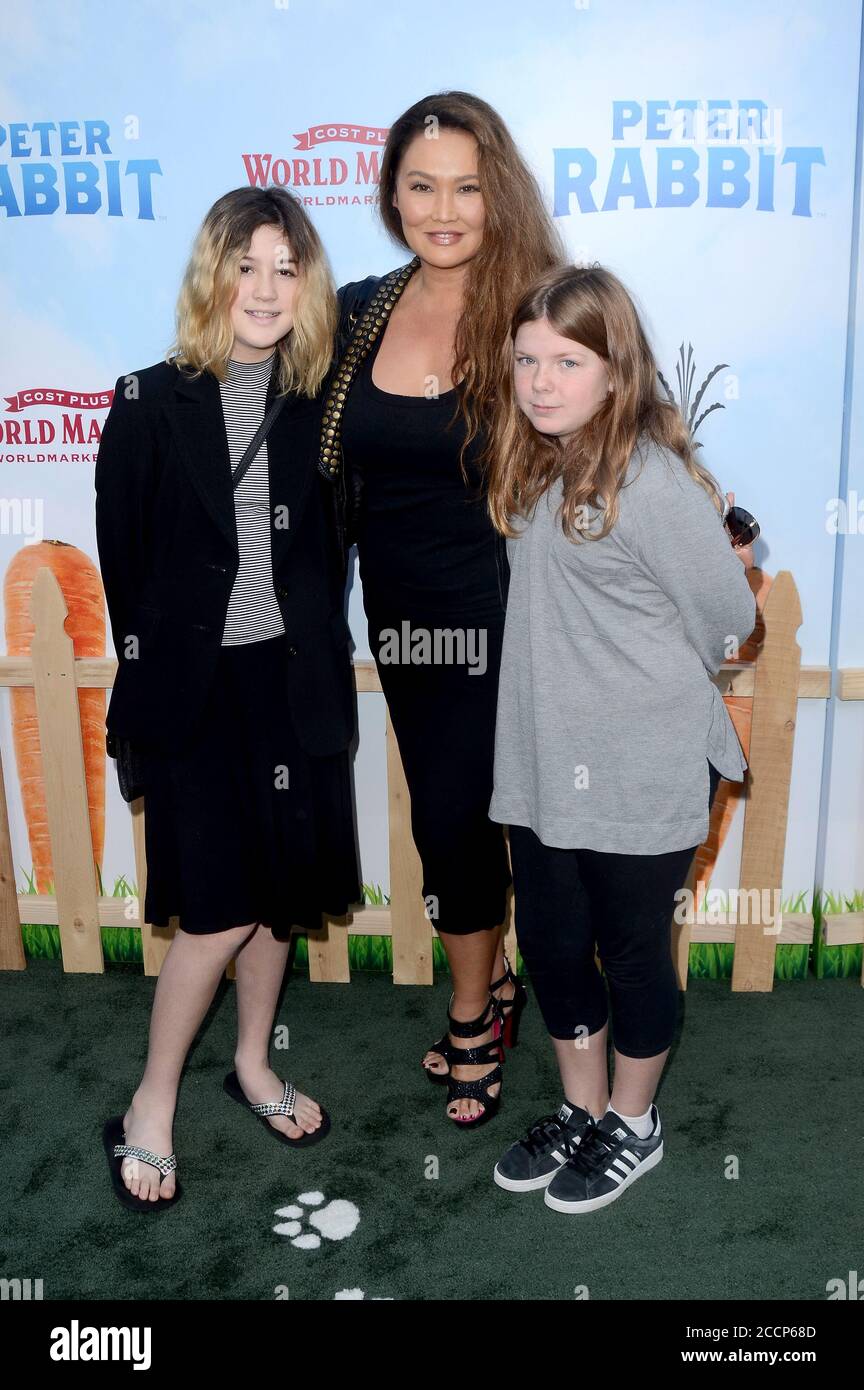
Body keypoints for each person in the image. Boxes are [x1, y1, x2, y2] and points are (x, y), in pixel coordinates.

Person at [95, 186, 361, 1211]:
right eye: (244, 265)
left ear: (309, 285)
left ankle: (251, 1062)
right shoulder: (144, 402)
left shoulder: (319, 411)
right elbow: (130, 581)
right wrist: (153, 705)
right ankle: (150, 1102)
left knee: (278, 902)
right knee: (214, 911)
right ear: (212, 275)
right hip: (197, 696)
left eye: (285, 268)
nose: (264, 287)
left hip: (289, 686)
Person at [485, 264, 757, 1210]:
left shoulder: (651, 479)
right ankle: (584, 1110)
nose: (541, 380)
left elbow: (731, 621)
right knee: (556, 949)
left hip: (641, 771)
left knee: (634, 954)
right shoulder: (528, 463)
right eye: (527, 359)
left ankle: (635, 1127)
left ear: (616, 369)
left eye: (567, 360)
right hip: (538, 762)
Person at [320, 91, 565, 1125]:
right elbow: (296, 453)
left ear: (495, 190)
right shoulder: (358, 309)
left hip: (524, 603)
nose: (443, 206)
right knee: (447, 818)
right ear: (389, 196)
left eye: (466, 184)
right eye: (420, 185)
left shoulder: (540, 306)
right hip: (409, 614)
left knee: (536, 822)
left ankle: (482, 1012)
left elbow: (618, 428)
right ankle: (486, 991)